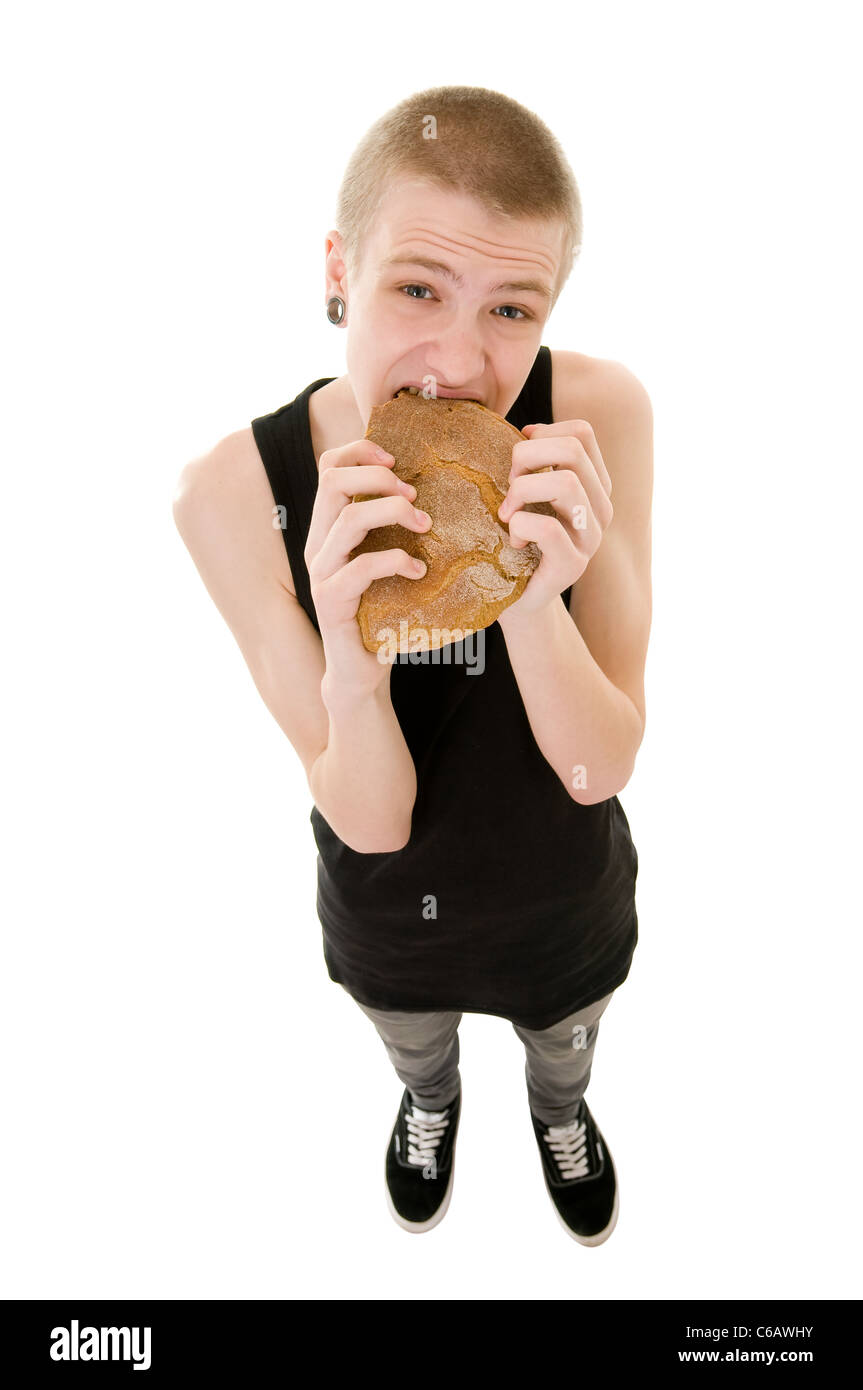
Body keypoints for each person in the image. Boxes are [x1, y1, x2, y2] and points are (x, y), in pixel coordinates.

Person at [172, 85, 653, 1246]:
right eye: (416, 288)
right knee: (414, 1045)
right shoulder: (233, 494)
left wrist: (535, 589)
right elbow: (371, 822)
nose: (456, 359)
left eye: (510, 307)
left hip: (559, 897)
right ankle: (428, 1104)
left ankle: (561, 1114)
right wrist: (348, 643)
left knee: (564, 1049)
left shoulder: (593, 419)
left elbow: (598, 767)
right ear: (339, 268)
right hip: (392, 917)